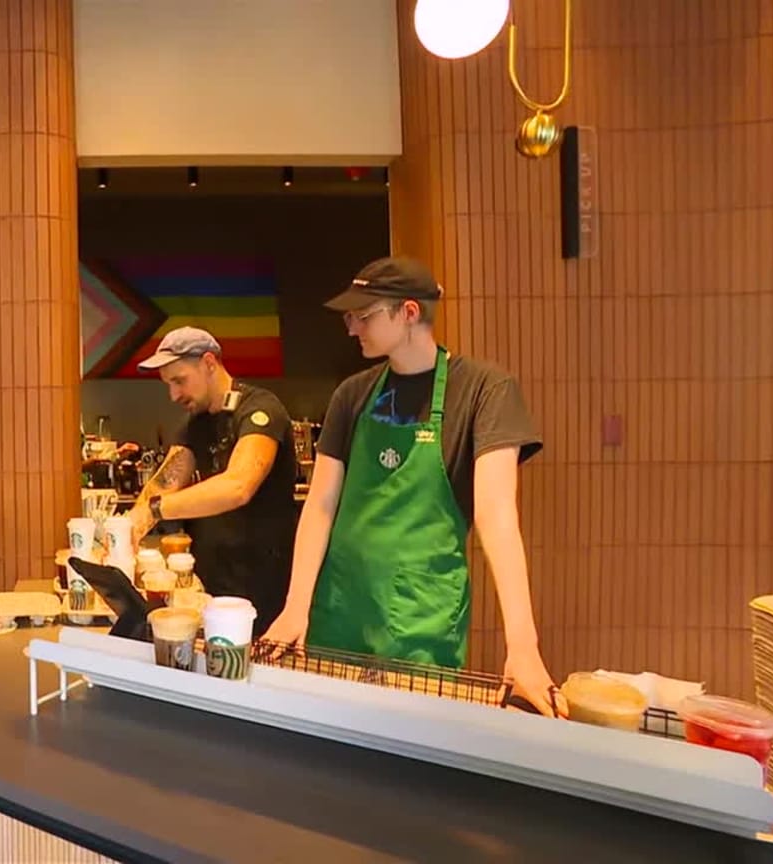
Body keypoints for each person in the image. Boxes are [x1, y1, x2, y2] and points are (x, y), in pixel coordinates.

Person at [260, 256, 565, 717]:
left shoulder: (485, 391)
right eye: (349, 316)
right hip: (340, 609)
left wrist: (522, 645)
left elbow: (496, 516)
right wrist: (295, 606)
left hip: (421, 615)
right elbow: (320, 506)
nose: (351, 327)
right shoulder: (353, 394)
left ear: (408, 313)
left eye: (363, 315)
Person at [128, 327, 299, 635]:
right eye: (168, 385)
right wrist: (124, 534)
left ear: (208, 363)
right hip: (210, 589)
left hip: (262, 591)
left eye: (179, 381)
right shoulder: (196, 422)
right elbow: (163, 483)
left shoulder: (259, 410)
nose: (174, 395)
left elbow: (238, 487)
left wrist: (157, 509)